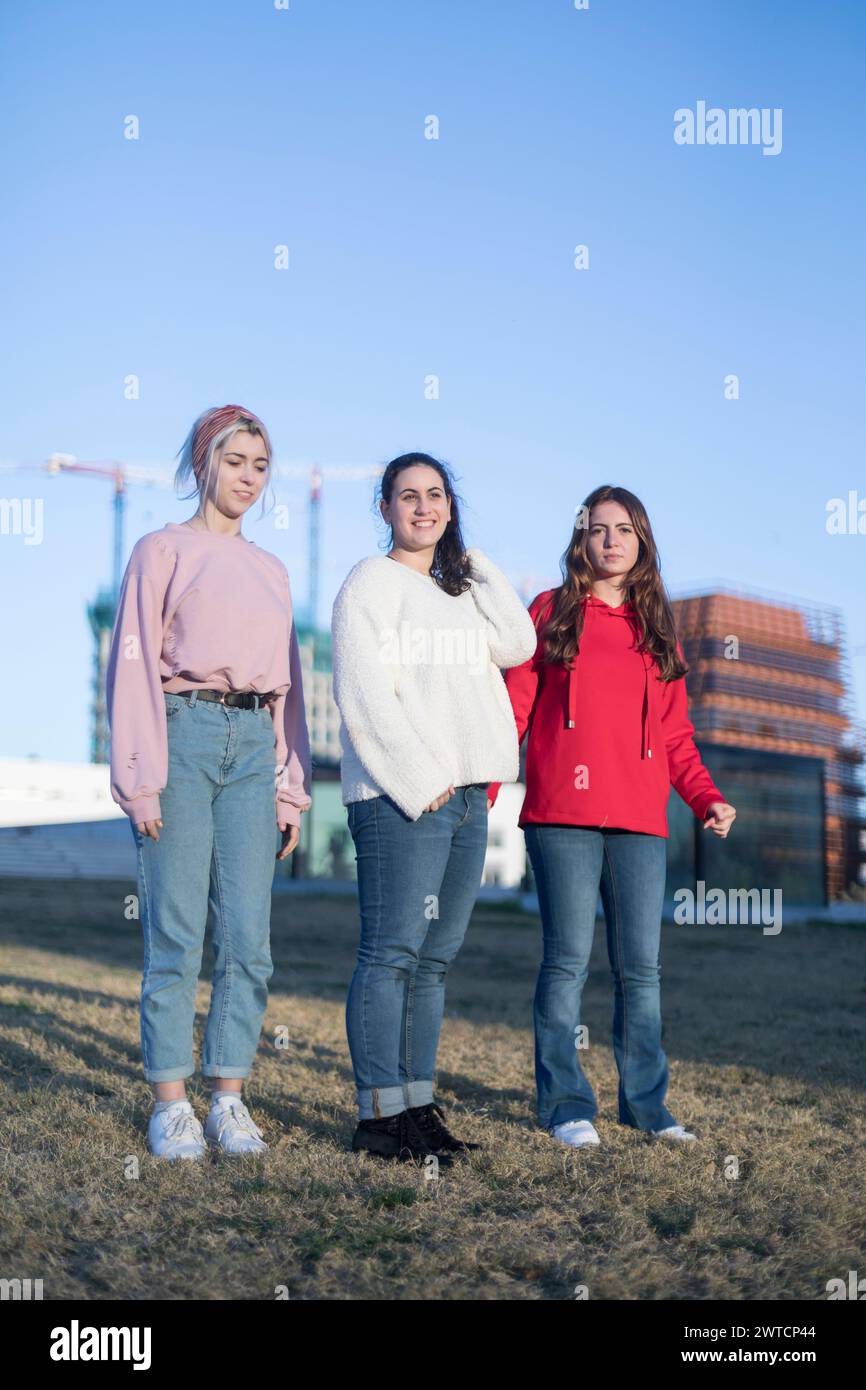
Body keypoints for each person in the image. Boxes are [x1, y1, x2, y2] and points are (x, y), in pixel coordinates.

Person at [487, 485, 736, 1149]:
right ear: (582, 539)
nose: (611, 541)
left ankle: (647, 1107)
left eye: (623, 529)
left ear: (642, 540)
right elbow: (514, 709)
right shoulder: (550, 612)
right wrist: (481, 789)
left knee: (640, 969)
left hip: (639, 821)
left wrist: (705, 797)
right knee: (566, 962)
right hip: (560, 816)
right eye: (598, 529)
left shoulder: (658, 631)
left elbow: (677, 736)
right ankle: (566, 1105)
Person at [106, 404, 312, 1161]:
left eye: (260, 465)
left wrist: (292, 785)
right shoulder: (161, 550)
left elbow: (289, 684)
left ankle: (228, 1097)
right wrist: (140, 779)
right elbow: (131, 664)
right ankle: (170, 1104)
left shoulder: (273, 570)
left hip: (256, 745)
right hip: (182, 734)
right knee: (177, 935)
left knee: (250, 942)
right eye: (236, 462)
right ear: (204, 464)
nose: (249, 478)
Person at [331, 452, 537, 1165]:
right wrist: (420, 780)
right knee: (390, 953)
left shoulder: (461, 591)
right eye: (408, 496)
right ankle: (379, 1116)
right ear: (384, 507)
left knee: (433, 960)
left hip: (467, 797)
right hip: (402, 798)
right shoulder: (369, 584)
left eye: (437, 496)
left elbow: (519, 641)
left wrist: (473, 560)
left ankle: (417, 1106)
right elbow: (362, 693)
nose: (423, 508)